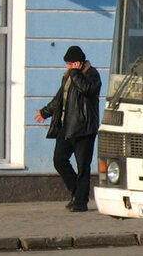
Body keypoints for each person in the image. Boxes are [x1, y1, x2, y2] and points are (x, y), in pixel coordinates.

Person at [35, 45, 101, 212]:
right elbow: (60, 99)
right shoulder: (68, 77)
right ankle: (76, 192)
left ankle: (80, 202)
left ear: (79, 63)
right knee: (59, 160)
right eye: (67, 65)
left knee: (83, 166)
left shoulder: (92, 74)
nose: (68, 67)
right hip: (66, 127)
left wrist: (76, 74)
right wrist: (45, 112)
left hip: (84, 128)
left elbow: (87, 90)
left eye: (71, 64)